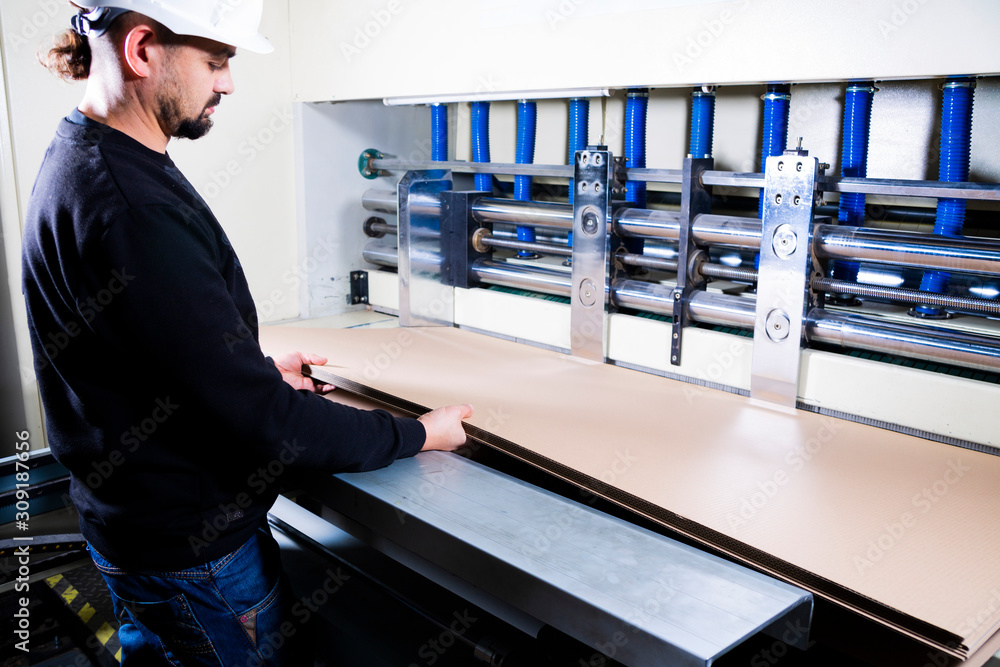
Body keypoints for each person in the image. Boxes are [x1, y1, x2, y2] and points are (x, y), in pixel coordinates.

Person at [21, 1, 473, 664]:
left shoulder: (82, 155)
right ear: (142, 50)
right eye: (216, 61)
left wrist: (245, 366)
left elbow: (135, 343)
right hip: (193, 561)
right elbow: (270, 425)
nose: (228, 83)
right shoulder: (130, 204)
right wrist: (419, 433)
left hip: (134, 533)